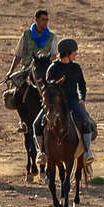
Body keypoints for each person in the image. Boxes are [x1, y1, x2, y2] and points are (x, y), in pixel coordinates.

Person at [35, 38, 94, 167]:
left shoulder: (76, 67)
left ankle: (87, 153)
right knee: (36, 124)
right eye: (74, 52)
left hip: (73, 101)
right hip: (56, 104)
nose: (76, 54)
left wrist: (82, 98)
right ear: (67, 53)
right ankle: (42, 153)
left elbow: (82, 85)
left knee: (87, 122)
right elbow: (48, 88)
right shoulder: (53, 68)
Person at [6, 9, 56, 80]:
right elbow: (18, 55)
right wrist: (11, 71)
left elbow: (54, 56)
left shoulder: (52, 37)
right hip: (26, 72)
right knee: (16, 86)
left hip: (45, 73)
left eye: (46, 20)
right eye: (43, 20)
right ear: (36, 20)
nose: (45, 22)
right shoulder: (26, 35)